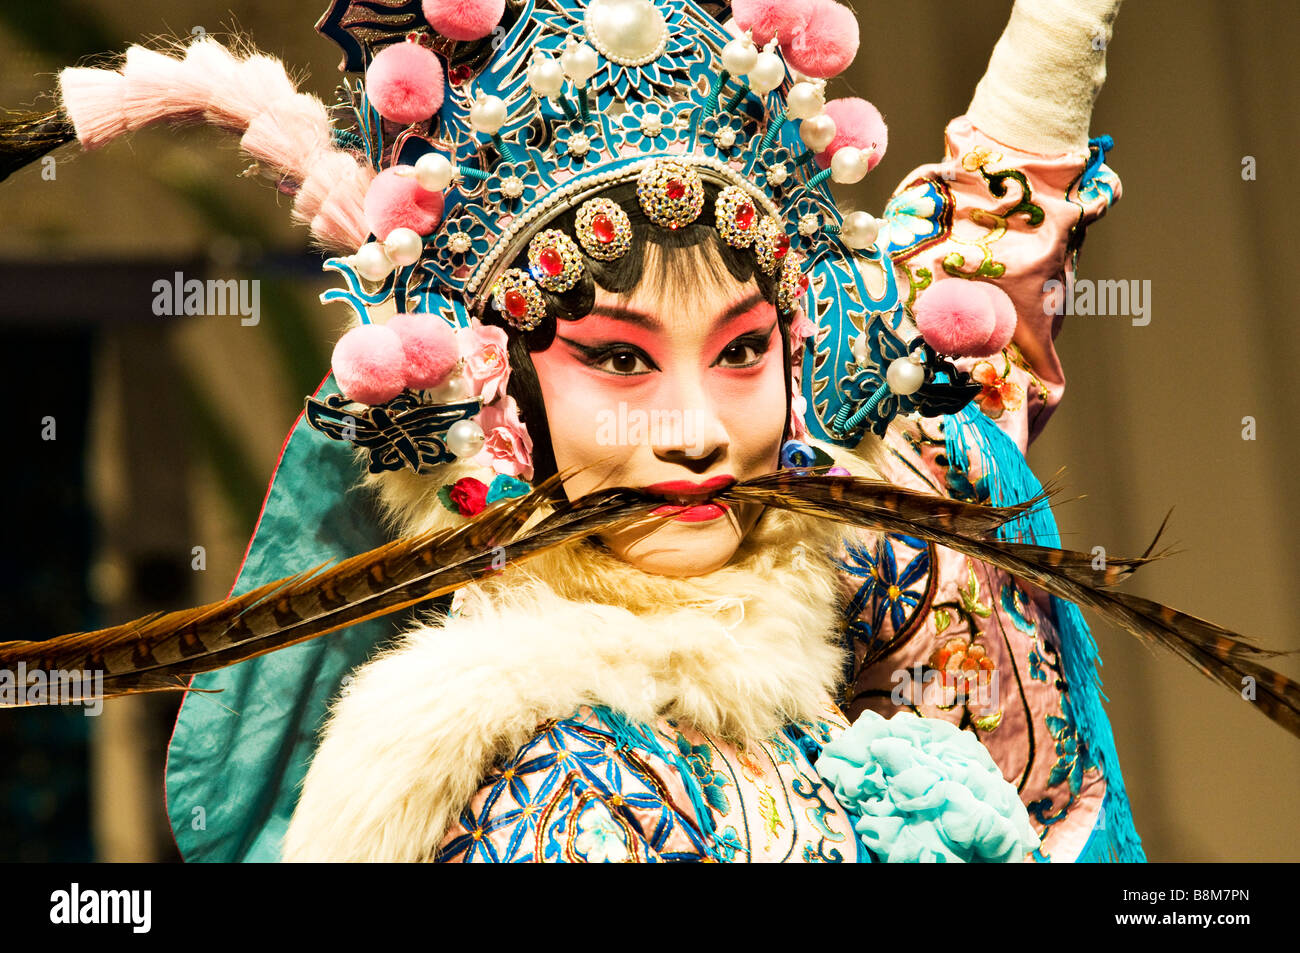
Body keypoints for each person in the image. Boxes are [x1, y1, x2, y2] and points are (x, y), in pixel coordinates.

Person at [4, 0, 1292, 863]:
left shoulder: (859, 636)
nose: (693, 430)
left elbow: (958, 332)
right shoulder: (557, 787)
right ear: (506, 409)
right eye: (619, 361)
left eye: (740, 353)